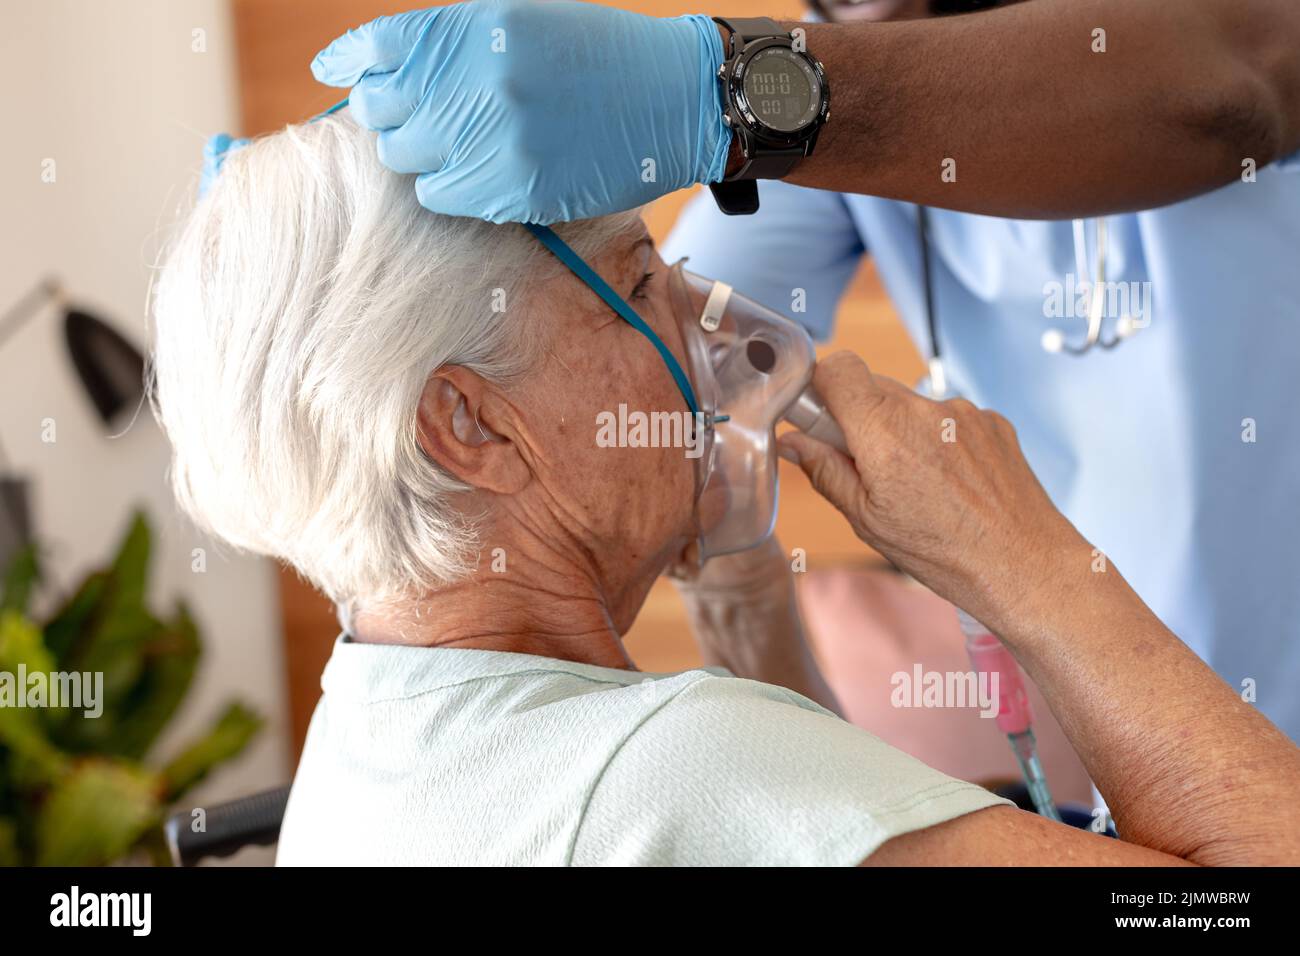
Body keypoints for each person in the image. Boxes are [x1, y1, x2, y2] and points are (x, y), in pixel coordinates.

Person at [152, 112, 1300, 865]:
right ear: (468, 422)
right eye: (639, 276)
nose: (705, 314)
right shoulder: (673, 771)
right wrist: (1026, 559)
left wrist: (742, 573)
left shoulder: (362, 754)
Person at [312, 0, 1300, 742]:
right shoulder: (832, 124)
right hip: (1114, 720)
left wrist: (736, 90)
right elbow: (678, 348)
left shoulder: (1185, 44)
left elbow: (1239, 86)